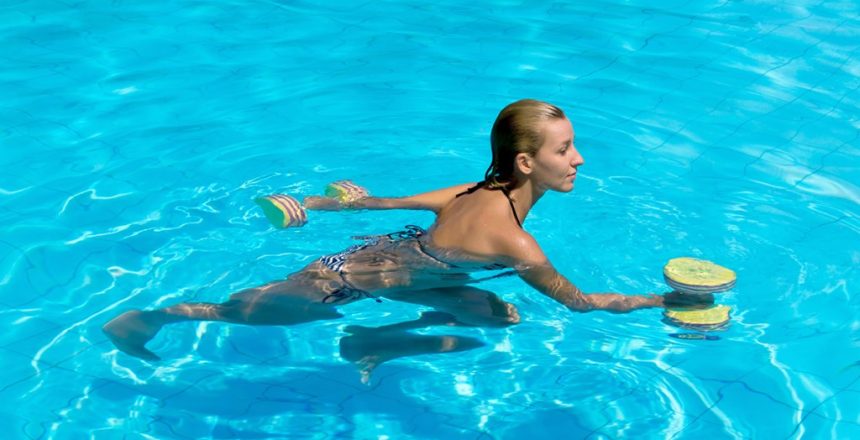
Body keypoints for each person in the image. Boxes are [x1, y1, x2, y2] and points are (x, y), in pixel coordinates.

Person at [103, 99, 706, 361]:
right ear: (527, 164)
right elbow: (578, 304)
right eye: (566, 149)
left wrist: (320, 203)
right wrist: (663, 301)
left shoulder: (476, 188)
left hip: (400, 266)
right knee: (251, 313)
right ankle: (154, 318)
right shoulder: (515, 241)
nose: (578, 160)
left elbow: (383, 203)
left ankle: (373, 343)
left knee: (495, 315)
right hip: (347, 281)